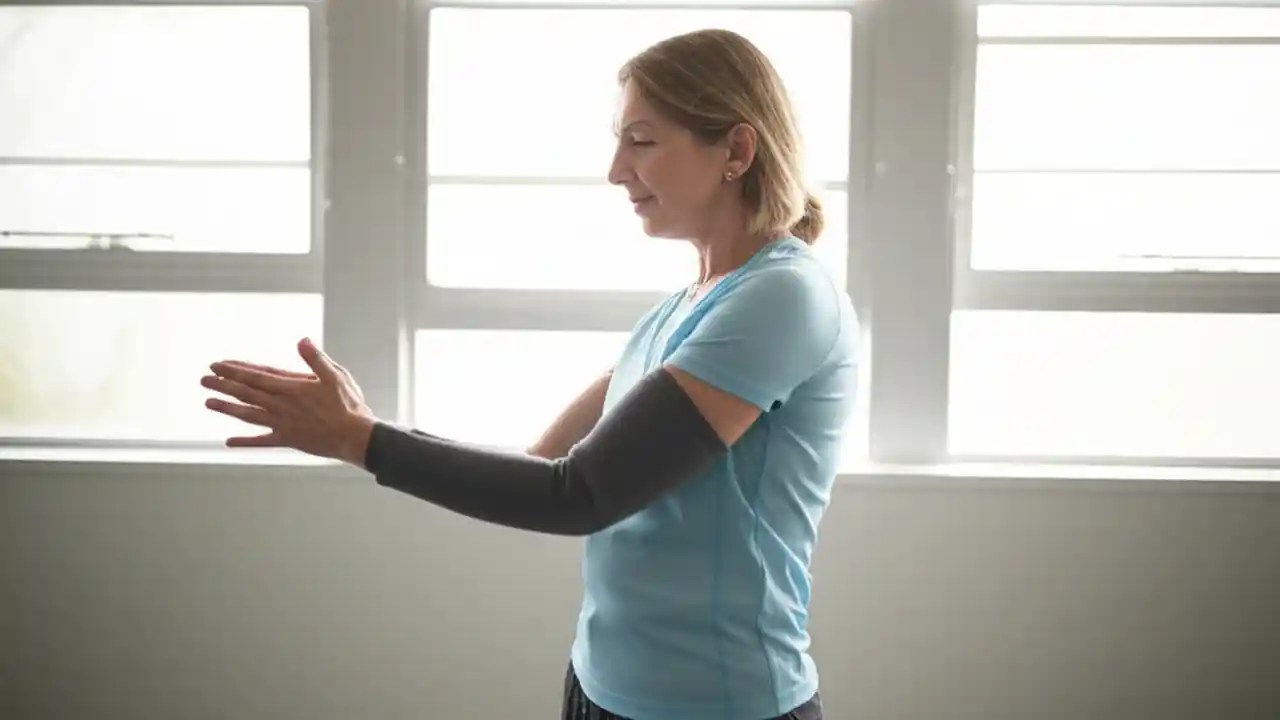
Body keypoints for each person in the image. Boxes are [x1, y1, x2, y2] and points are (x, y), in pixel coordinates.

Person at [201, 28, 856, 720]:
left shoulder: (782, 300)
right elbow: (544, 462)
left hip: (719, 705)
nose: (615, 170)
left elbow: (578, 495)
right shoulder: (688, 306)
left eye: (641, 141)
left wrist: (362, 441)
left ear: (737, 151)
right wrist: (364, 430)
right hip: (601, 685)